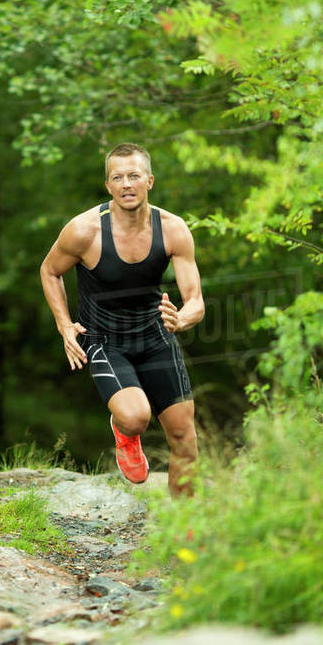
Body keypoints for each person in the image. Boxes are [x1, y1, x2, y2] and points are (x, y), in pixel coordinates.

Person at [39, 142, 204, 496]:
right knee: (135, 417)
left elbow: (195, 302)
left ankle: (187, 534)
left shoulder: (173, 229)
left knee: (184, 437)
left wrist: (182, 319)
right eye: (118, 177)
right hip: (104, 341)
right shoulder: (84, 231)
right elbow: (50, 271)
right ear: (108, 186)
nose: (126, 184)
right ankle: (125, 433)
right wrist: (64, 324)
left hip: (155, 337)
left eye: (134, 176)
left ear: (149, 181)